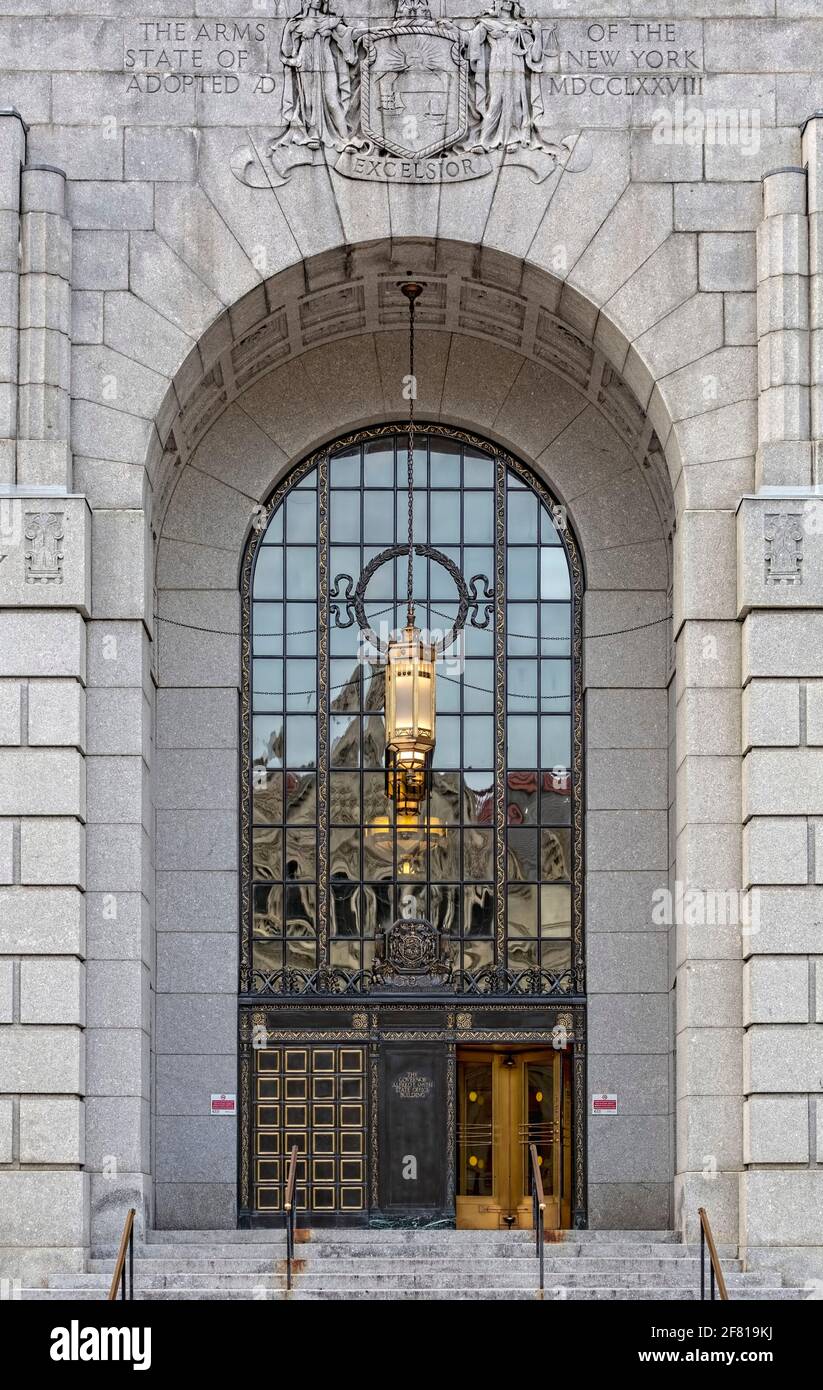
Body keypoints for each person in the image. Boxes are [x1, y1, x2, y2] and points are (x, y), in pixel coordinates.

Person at [468, 2, 556, 151]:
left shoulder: (520, 27)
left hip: (517, 67)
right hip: (497, 66)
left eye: (511, 1)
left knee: (516, 101)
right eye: (505, 0)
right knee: (495, 101)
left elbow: (535, 57)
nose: (508, 3)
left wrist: (538, 33)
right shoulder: (486, 24)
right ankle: (484, 141)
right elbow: (471, 40)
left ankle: (513, 139)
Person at [280, 0, 357, 149]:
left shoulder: (329, 21)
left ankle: (346, 139)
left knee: (332, 100)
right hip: (305, 61)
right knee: (308, 102)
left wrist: (367, 35)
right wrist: (287, 32)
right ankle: (313, 134)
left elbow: (348, 35)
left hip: (326, 61)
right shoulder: (297, 23)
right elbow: (287, 51)